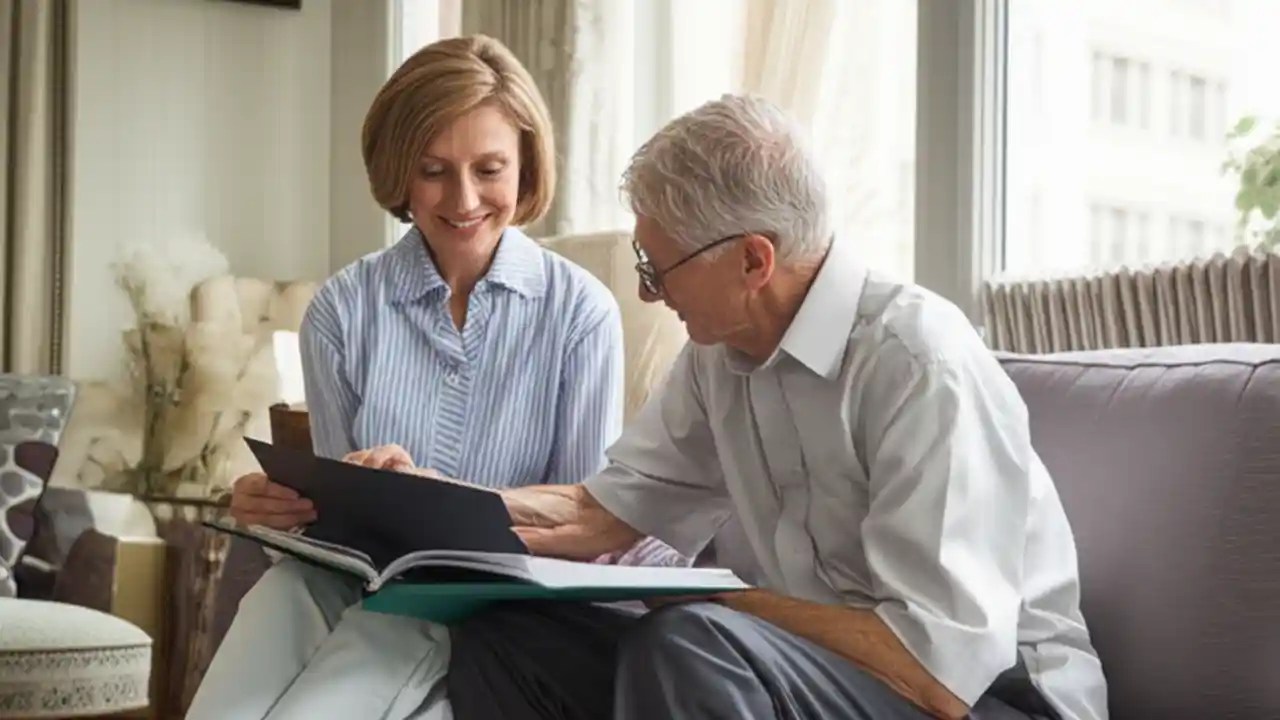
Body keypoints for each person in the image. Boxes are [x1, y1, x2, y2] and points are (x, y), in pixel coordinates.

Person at [442, 94, 1110, 720]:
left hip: (992, 699)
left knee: (693, 642)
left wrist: (719, 600)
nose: (648, 295)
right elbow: (598, 514)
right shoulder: (719, 352)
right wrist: (430, 508)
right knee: (510, 641)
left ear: (753, 260)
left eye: (657, 268)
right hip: (807, 669)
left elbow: (937, 670)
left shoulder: (917, 363)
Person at [187, 35, 680, 720]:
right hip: (365, 584)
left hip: (499, 598)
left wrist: (444, 499)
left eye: (490, 169)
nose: (464, 199)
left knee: (380, 628)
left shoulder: (580, 313)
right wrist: (284, 511)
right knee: (286, 590)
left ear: (525, 168)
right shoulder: (341, 310)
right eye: (433, 169)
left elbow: (581, 527)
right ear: (398, 171)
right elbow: (337, 529)